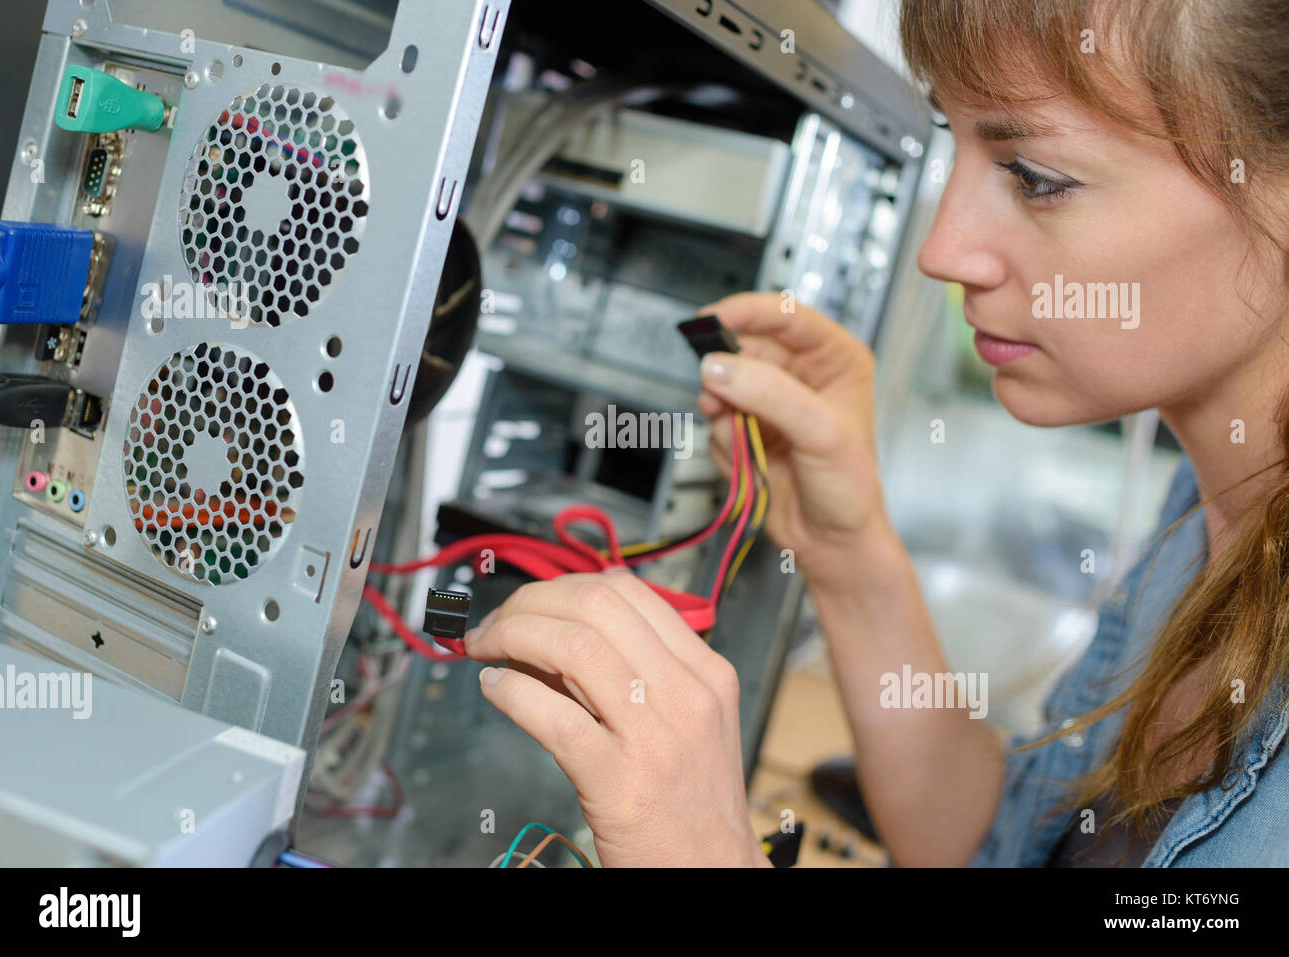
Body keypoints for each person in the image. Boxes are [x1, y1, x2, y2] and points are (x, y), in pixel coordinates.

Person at [462, 0, 1289, 866]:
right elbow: (1009, 847)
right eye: (952, 140)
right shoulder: (1202, 519)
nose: (942, 249)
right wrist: (848, 551)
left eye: (1036, 175)